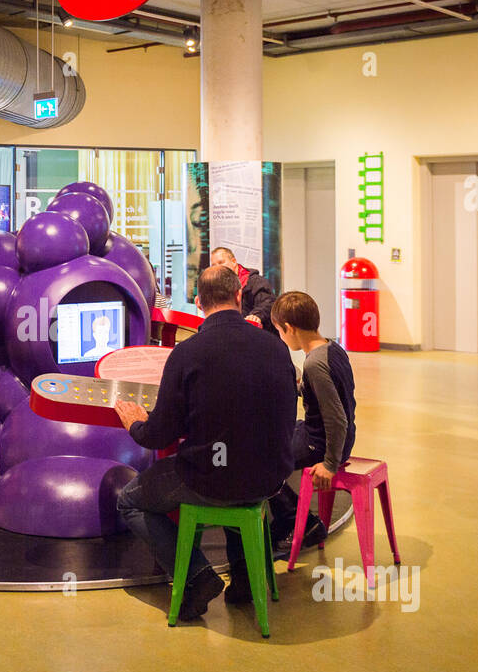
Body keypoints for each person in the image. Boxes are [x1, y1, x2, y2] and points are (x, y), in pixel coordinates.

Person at [115, 266, 296, 621]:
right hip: (271, 478)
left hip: (212, 479)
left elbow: (160, 434)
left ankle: (197, 577)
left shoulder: (187, 353)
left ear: (199, 303)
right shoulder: (275, 348)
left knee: (130, 501)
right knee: (233, 461)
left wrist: (135, 423)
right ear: (239, 297)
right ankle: (244, 577)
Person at [266, 291, 357, 551]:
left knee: (264, 458)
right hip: (327, 434)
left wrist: (330, 463)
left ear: (289, 329)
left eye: (280, 333)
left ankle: (301, 522)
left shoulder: (314, 365)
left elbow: (336, 417)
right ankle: (289, 518)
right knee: (278, 436)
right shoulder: (332, 347)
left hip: (321, 443)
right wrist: (298, 385)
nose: (281, 338)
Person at [209, 246, 275, 330]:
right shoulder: (217, 287)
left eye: (221, 262)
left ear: (233, 261)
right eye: (214, 265)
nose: (218, 268)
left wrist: (256, 316)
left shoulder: (256, 281)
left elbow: (268, 303)